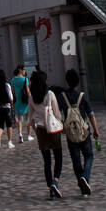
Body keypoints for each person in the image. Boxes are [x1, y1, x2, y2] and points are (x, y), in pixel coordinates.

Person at [57, 68, 100, 197]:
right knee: (89, 156)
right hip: (84, 131)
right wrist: (96, 130)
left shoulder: (62, 97)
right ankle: (85, 177)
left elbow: (58, 115)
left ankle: (82, 184)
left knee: (76, 159)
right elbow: (91, 114)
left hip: (70, 133)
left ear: (67, 81)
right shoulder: (82, 96)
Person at [27, 69, 64, 199]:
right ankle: (55, 181)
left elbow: (30, 118)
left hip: (41, 130)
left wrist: (35, 129)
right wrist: (60, 123)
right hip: (52, 129)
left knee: (47, 160)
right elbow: (57, 113)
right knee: (58, 156)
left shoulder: (32, 97)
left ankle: (50, 187)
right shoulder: (50, 94)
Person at [0, 68, 15, 149]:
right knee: (9, 125)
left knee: (0, 125)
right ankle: (9, 142)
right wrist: (12, 106)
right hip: (6, 107)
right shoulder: (7, 85)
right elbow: (11, 98)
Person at [10, 63, 33, 144]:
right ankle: (29, 135)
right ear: (20, 70)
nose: (25, 71)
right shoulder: (25, 79)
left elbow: (12, 91)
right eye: (24, 70)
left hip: (17, 101)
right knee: (28, 119)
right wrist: (31, 99)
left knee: (19, 120)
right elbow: (28, 91)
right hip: (25, 101)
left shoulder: (13, 80)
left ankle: (20, 134)